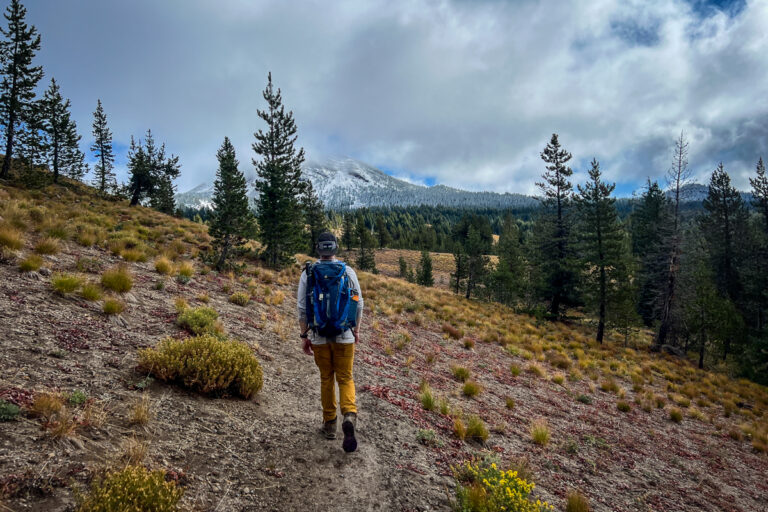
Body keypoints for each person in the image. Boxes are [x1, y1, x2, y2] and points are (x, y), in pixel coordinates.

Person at [297, 232, 364, 453]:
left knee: (326, 378)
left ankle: (330, 425)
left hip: (319, 336)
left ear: (319, 249)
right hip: (344, 335)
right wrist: (356, 330)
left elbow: (302, 309)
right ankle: (350, 416)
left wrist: (304, 335)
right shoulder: (348, 271)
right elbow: (359, 303)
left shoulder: (309, 273)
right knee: (345, 377)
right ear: (335, 248)